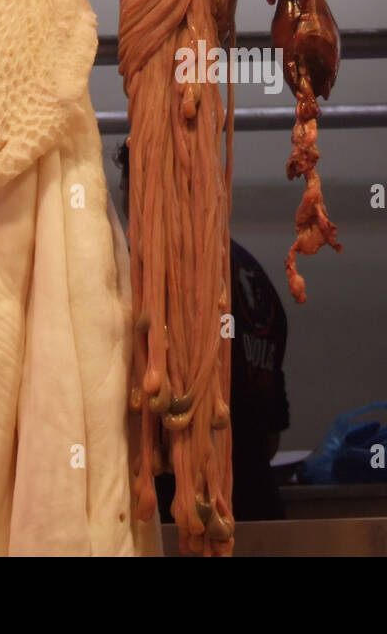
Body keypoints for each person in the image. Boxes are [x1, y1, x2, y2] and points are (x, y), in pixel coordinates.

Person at [114, 140, 290, 521]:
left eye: (130, 191)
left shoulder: (140, 282)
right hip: (255, 512)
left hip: (178, 522)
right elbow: (272, 437)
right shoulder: (255, 278)